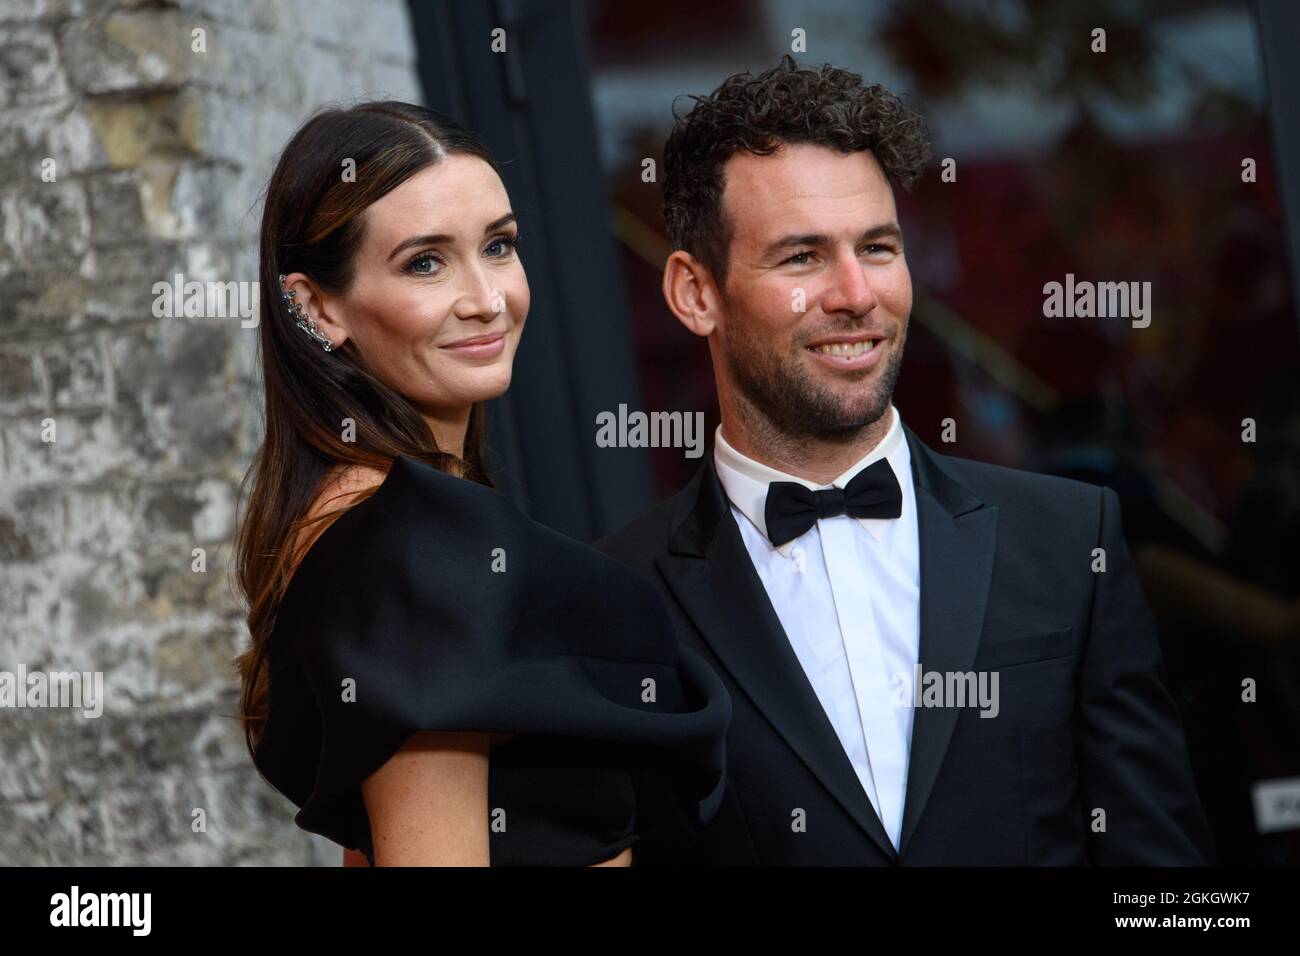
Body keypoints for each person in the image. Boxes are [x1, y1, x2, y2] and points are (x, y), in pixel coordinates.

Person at [597, 57, 1214, 865]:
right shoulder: (618, 602)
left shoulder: (1068, 542)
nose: (857, 293)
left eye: (879, 247)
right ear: (694, 293)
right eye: (802, 257)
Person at [235, 101, 729, 867]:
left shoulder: (362, 519)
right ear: (316, 306)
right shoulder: (411, 545)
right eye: (425, 262)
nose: (487, 298)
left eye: (498, 247)